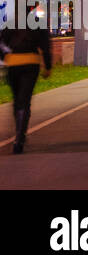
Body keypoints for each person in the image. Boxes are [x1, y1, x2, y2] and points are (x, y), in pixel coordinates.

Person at [1, 13, 53, 154]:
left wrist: (5, 58)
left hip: (13, 64)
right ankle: (20, 138)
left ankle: (18, 133)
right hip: (31, 63)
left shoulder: (10, 24)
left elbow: (1, 43)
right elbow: (46, 46)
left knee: (17, 99)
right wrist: (48, 66)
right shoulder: (39, 24)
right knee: (25, 100)